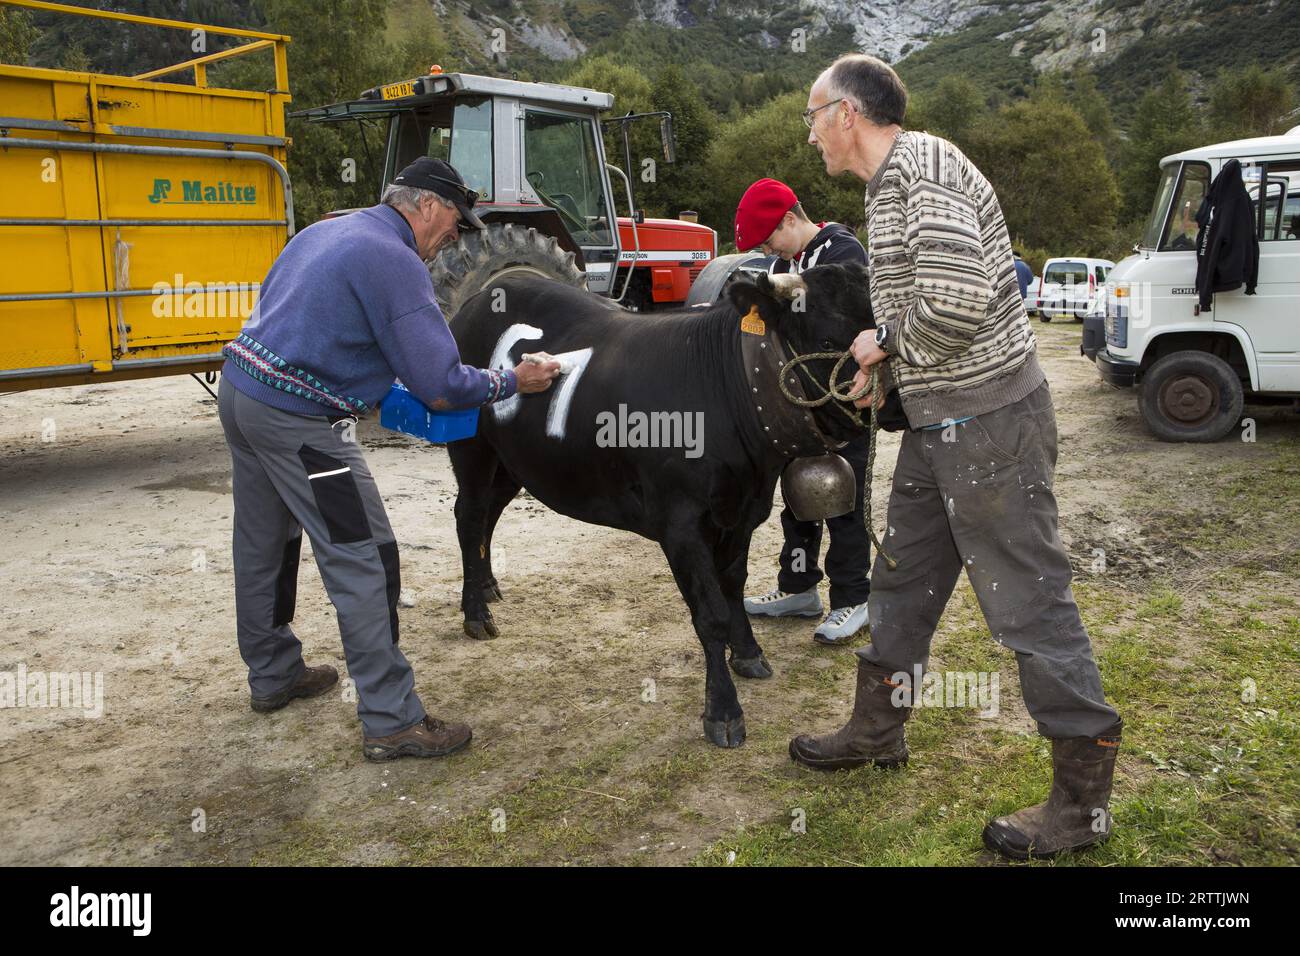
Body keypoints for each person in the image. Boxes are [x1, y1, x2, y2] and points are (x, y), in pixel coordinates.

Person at [789, 53, 1124, 861]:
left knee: (1028, 601)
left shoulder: (925, 166)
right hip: (940, 423)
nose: (808, 136)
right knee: (901, 581)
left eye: (811, 116)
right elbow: (934, 306)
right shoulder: (888, 183)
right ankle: (878, 730)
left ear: (846, 113)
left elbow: (961, 301)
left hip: (991, 424)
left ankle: (1082, 805)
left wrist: (881, 345)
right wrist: (891, 373)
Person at [218, 157, 560, 761]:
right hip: (299, 423)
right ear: (426, 205)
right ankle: (390, 718)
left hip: (242, 393)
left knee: (263, 542)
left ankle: (272, 672)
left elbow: (293, 316)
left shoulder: (328, 230)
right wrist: (512, 382)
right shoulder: (394, 260)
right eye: (456, 221)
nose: (455, 237)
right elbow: (440, 384)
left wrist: (367, 384)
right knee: (366, 557)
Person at [733, 179, 873, 645]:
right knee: (799, 498)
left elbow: (849, 318)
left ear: (790, 219)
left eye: (769, 237)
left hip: (843, 403)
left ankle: (854, 597)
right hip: (797, 408)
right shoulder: (783, 264)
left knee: (842, 499)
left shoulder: (842, 252)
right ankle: (798, 588)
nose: (768, 248)